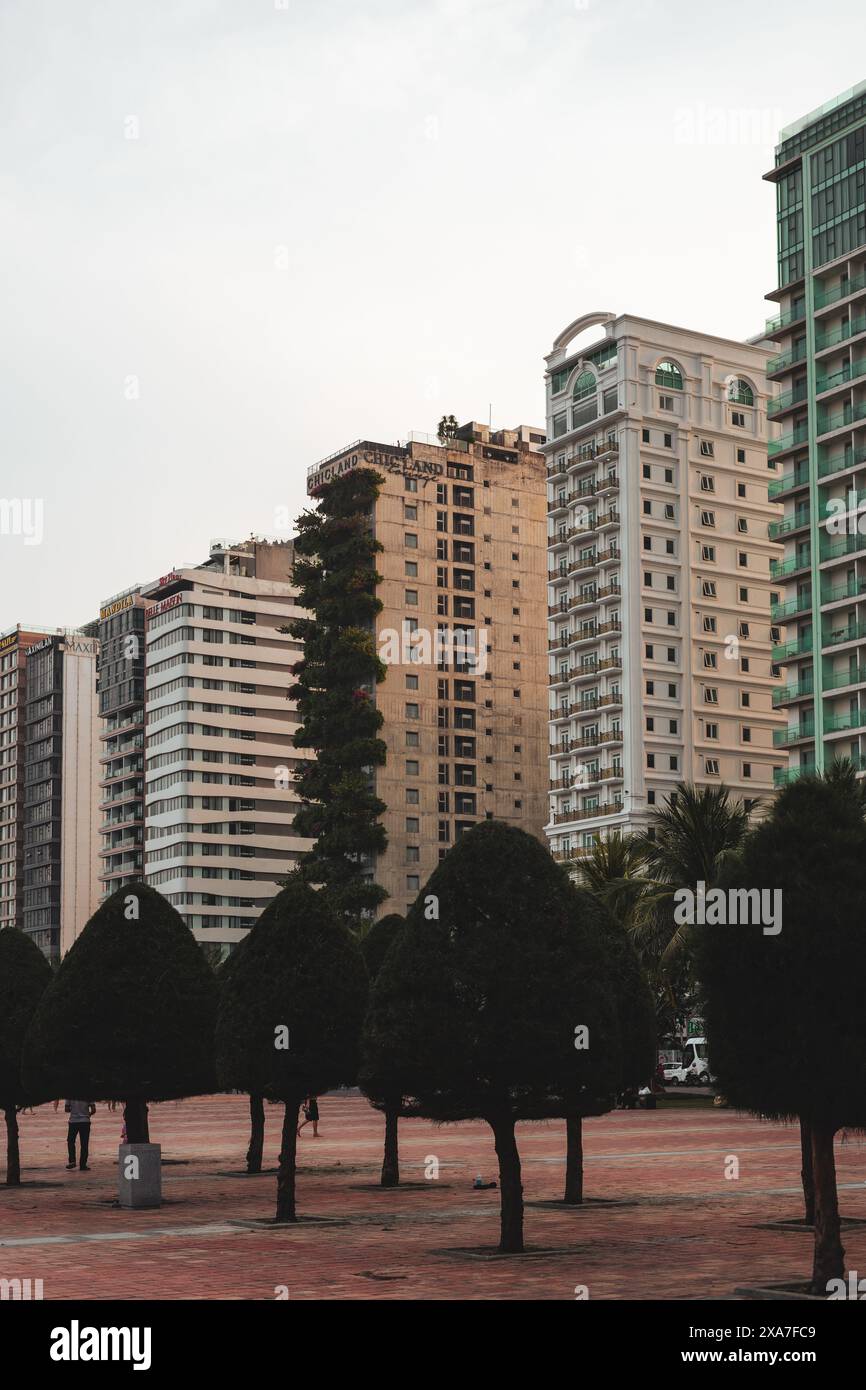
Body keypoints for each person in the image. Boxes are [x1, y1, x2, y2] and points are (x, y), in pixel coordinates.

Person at [65, 1099, 96, 1171]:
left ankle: (72, 1161)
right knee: (84, 1144)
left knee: (70, 1141)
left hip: (73, 1121)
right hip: (85, 1121)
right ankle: (83, 1165)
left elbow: (66, 1109)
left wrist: (74, 1111)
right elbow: (93, 1109)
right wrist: (88, 1114)